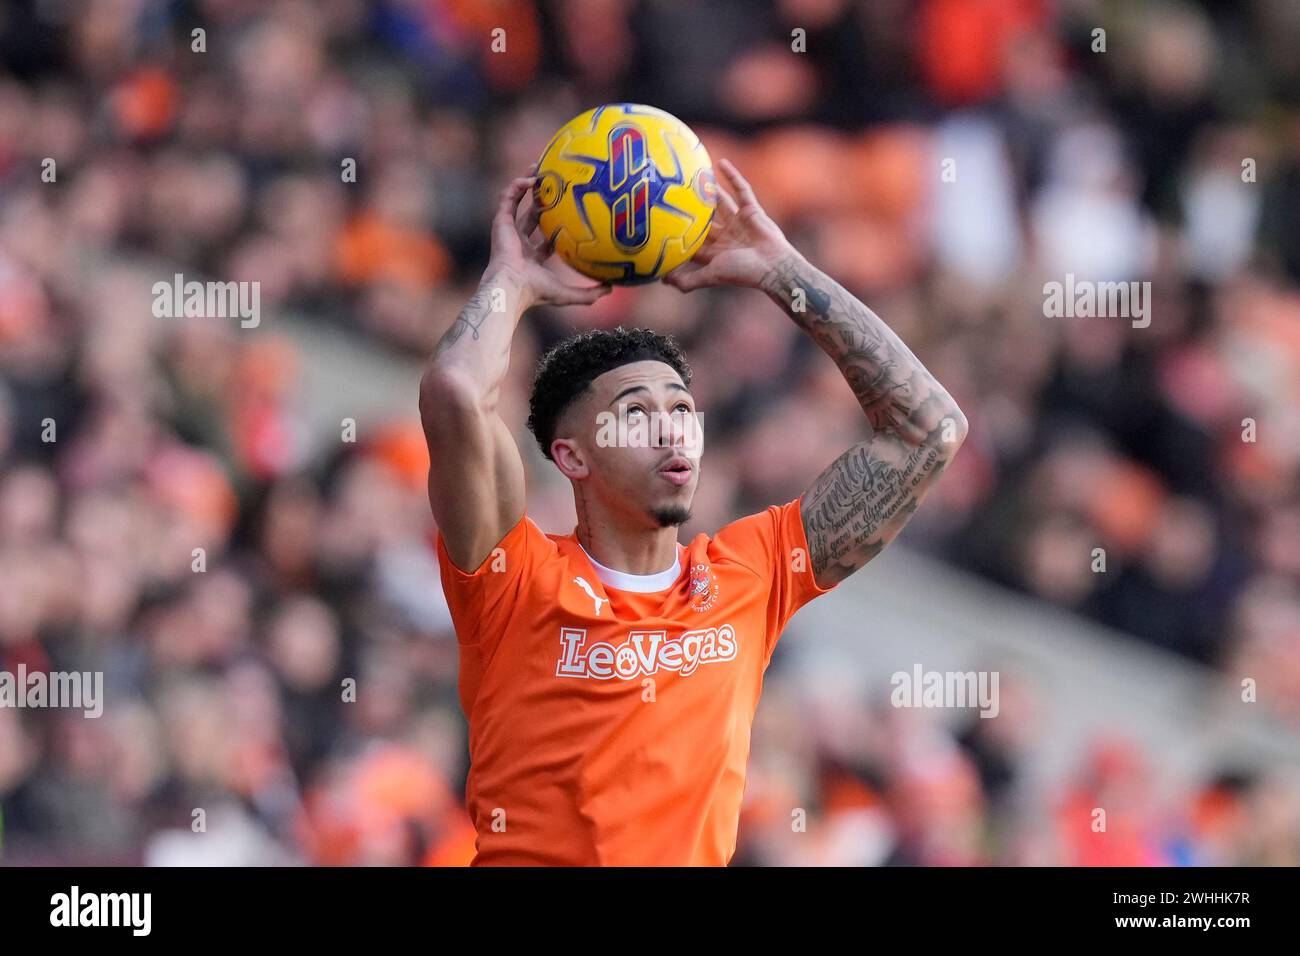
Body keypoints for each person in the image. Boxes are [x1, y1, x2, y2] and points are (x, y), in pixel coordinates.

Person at [419, 157, 968, 865]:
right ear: (573, 456)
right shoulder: (513, 577)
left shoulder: (753, 572)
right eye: (636, 413)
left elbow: (930, 430)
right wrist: (514, 281)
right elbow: (455, 393)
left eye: (682, 409)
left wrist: (778, 268)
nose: (671, 428)